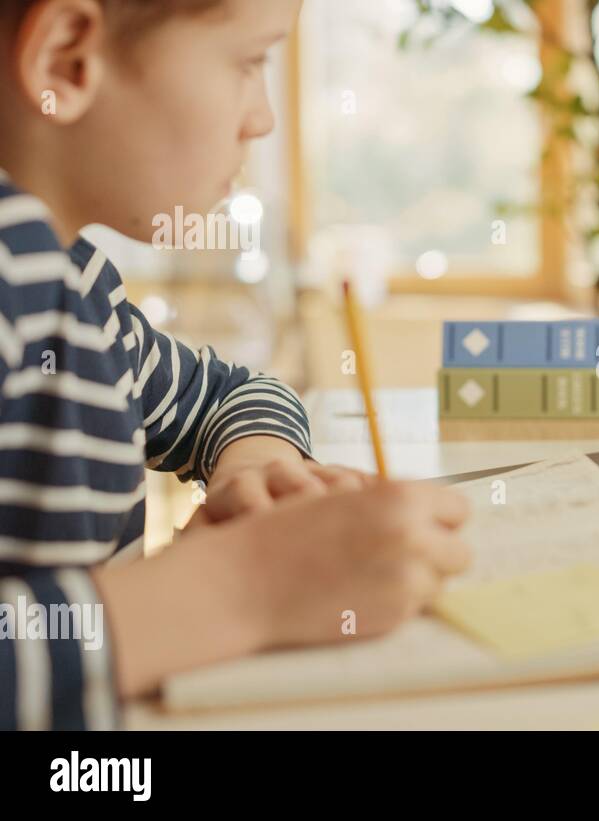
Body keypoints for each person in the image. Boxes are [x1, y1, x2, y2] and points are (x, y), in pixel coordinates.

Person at [0, 0, 471, 730]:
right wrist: (245, 585)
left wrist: (256, 470)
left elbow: (235, 392)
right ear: (68, 58)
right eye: (249, 62)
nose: (262, 119)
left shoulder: (77, 289)